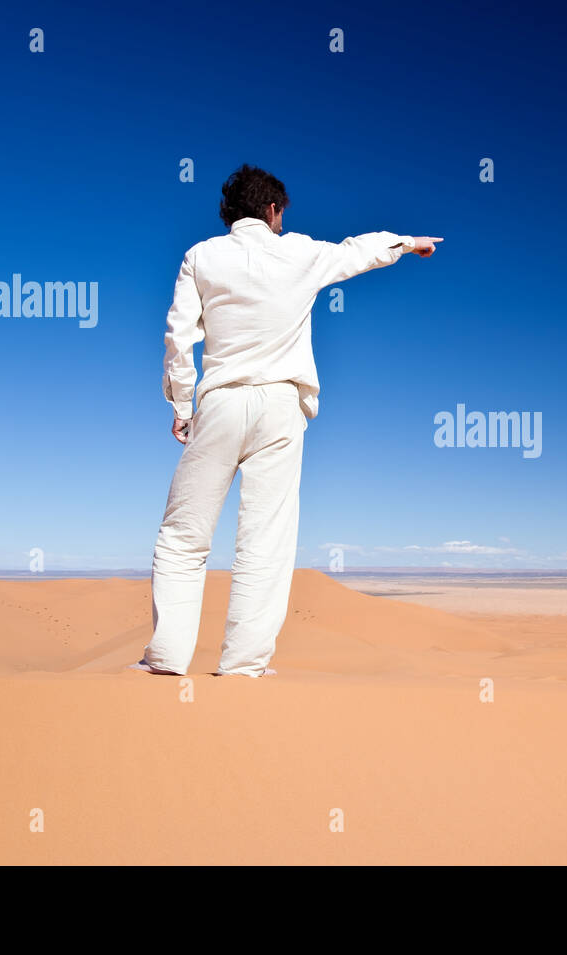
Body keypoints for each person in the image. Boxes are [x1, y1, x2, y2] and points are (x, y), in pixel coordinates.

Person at [132, 164, 442, 677]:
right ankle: (244, 665)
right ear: (273, 209)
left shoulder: (201, 256)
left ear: (232, 211)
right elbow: (356, 251)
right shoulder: (300, 251)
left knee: (184, 535)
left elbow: (178, 335)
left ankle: (166, 657)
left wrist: (181, 406)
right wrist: (408, 242)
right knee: (265, 539)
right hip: (280, 406)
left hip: (220, 402)